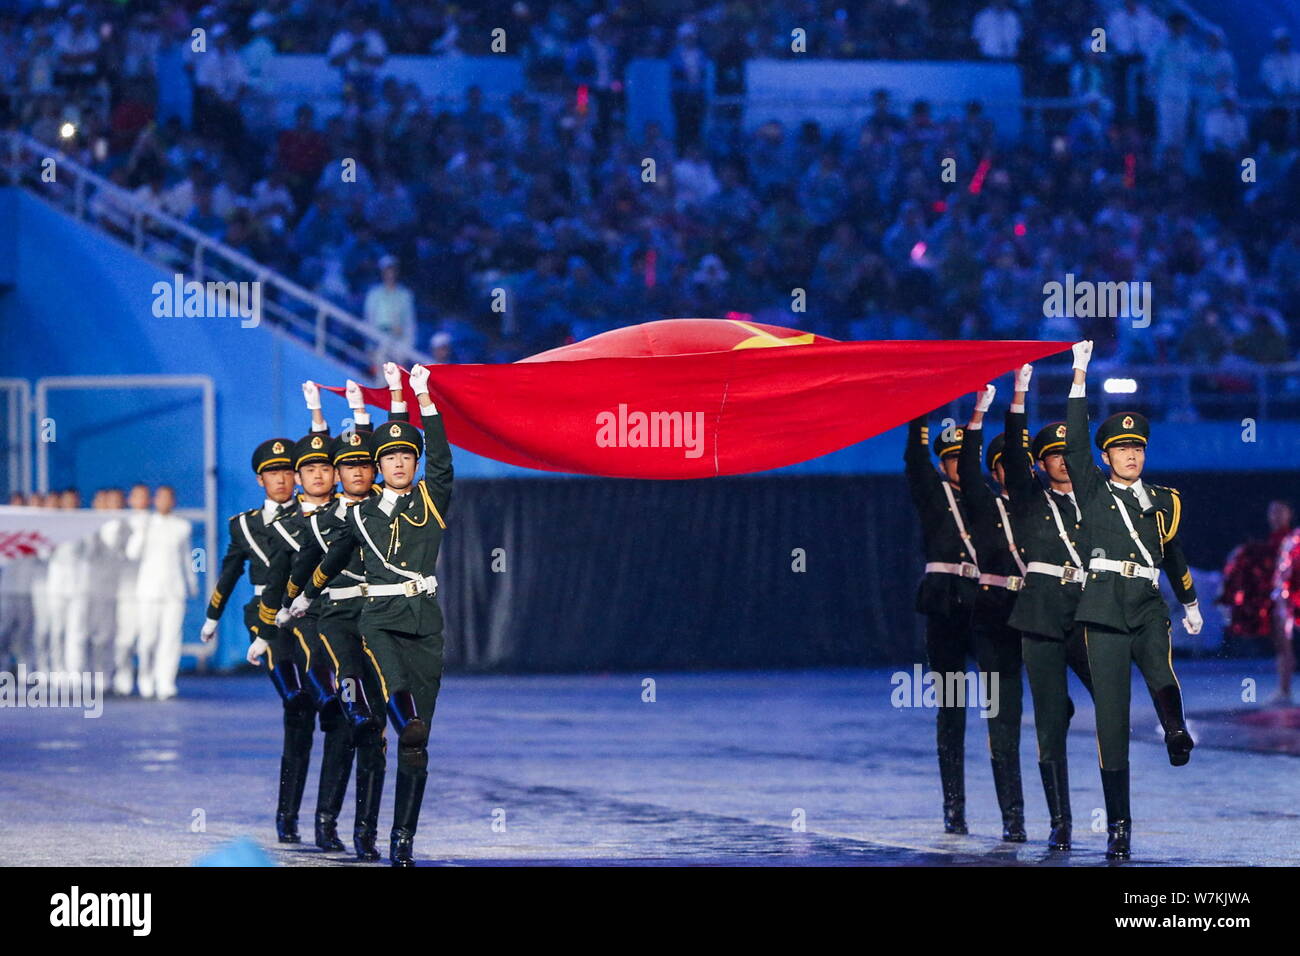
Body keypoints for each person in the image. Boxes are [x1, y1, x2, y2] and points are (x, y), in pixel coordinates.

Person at [291, 362, 452, 866]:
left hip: (425, 622)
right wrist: (306, 595)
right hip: (376, 620)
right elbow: (334, 556)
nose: (399, 463)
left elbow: (442, 463)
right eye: (390, 457)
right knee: (393, 715)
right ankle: (354, 817)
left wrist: (425, 403)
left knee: (415, 744)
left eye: (407, 456)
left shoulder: (431, 498)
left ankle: (401, 840)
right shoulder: (357, 512)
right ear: (377, 467)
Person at [1065, 340, 1201, 860]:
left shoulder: (1165, 501)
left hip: (1146, 603)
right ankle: (1119, 825)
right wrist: (1079, 372)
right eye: (1122, 449)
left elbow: (1174, 554)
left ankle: (1175, 732)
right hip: (1101, 609)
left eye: (1138, 447)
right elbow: (1074, 441)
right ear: (1106, 456)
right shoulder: (1094, 491)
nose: (1131, 454)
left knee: (1162, 671)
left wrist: (1189, 602)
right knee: (1112, 723)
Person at [276, 373, 405, 860]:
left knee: (371, 736)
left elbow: (392, 446)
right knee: (350, 718)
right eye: (342, 465)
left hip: (381, 624)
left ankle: (362, 833)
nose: (353, 470)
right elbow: (298, 582)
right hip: (332, 626)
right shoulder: (321, 524)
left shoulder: (382, 511)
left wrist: (389, 402)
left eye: (360, 464)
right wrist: (283, 616)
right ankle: (323, 818)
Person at [251, 382, 353, 851]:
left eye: (324, 467)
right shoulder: (286, 527)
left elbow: (355, 452)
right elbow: (274, 583)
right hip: (293, 634)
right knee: (302, 715)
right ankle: (287, 815)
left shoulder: (352, 515)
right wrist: (263, 630)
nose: (317, 474)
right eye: (307, 468)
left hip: (342, 627)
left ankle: (326, 821)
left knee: (341, 720)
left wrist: (328, 411)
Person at [1000, 364, 1094, 850]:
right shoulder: (1030, 499)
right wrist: (1020, 392)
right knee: (1050, 721)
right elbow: (1013, 455)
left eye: (1067, 453)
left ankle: (1118, 819)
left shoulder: (1101, 500)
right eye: (1051, 456)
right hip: (1040, 615)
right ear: (1038, 464)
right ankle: (1061, 821)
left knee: (1114, 706)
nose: (1060, 461)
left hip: (1092, 613)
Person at [199, 436, 308, 843]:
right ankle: (287, 815)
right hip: (265, 618)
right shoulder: (243, 524)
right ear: (260, 479)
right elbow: (229, 574)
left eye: (286, 471)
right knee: (296, 703)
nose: (281, 480)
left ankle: (324, 819)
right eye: (272, 473)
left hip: (308, 615)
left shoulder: (314, 513)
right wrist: (212, 616)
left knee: (323, 712)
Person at [904, 411, 995, 835]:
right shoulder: (933, 492)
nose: (960, 465)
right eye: (952, 459)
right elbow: (914, 457)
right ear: (942, 464)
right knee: (953, 708)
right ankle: (954, 806)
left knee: (1002, 705)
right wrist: (921, 408)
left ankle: (1011, 809)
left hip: (988, 604)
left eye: (966, 457)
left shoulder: (990, 498)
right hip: (945, 606)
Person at [955, 382, 1026, 842]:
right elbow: (965, 464)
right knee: (1003, 721)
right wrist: (980, 411)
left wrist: (1021, 398)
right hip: (996, 612)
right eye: (1001, 466)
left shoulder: (1041, 504)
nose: (1008, 473)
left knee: (1057, 709)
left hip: (1041, 611)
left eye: (1014, 464)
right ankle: (1013, 817)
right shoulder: (984, 503)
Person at [129, 485, 196, 700]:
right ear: (154, 500)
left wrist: (192, 581)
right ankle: (145, 676)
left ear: (173, 501)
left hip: (174, 590)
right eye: (160, 498)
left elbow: (190, 557)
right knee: (148, 638)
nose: (164, 501)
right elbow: (132, 554)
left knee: (171, 638)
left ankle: (165, 680)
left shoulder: (182, 527)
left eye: (168, 498)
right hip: (148, 590)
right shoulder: (144, 523)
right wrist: (141, 531)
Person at [110, 484, 151, 694]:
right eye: (137, 496)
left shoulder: (156, 522)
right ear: (130, 499)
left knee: (147, 640)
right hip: (126, 590)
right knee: (124, 638)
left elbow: (197, 556)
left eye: (145, 496)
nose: (141, 500)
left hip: (149, 591)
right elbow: (129, 554)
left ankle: (146, 679)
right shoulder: (121, 523)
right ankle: (123, 675)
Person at [363, 255, 416, 368]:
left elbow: (409, 323)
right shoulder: (374, 294)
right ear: (382, 272)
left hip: (398, 342)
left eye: (392, 269)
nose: (390, 273)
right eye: (387, 270)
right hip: (379, 340)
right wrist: (369, 347)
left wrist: (407, 350)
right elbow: (369, 319)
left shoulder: (405, 295)